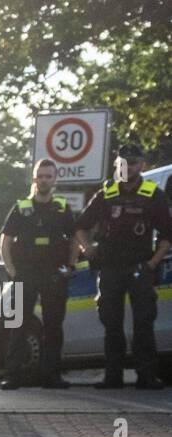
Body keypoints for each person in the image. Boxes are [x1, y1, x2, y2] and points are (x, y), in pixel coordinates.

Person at [75, 144, 172, 389]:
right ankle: (113, 376)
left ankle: (146, 376)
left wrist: (153, 262)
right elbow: (81, 226)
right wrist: (87, 248)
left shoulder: (153, 194)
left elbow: (168, 233)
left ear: (142, 165)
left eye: (133, 162)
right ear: (118, 164)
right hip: (110, 267)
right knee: (111, 323)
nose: (128, 167)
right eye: (123, 162)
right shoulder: (106, 193)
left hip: (140, 267)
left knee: (143, 322)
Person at [0, 158, 78, 389]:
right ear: (34, 178)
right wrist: (12, 271)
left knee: (53, 326)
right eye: (40, 176)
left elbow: (74, 241)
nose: (43, 180)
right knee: (18, 324)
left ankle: (51, 376)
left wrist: (70, 267)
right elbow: (5, 242)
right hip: (26, 273)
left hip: (54, 274)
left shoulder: (62, 207)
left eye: (48, 176)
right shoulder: (22, 207)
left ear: (54, 179)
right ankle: (12, 376)